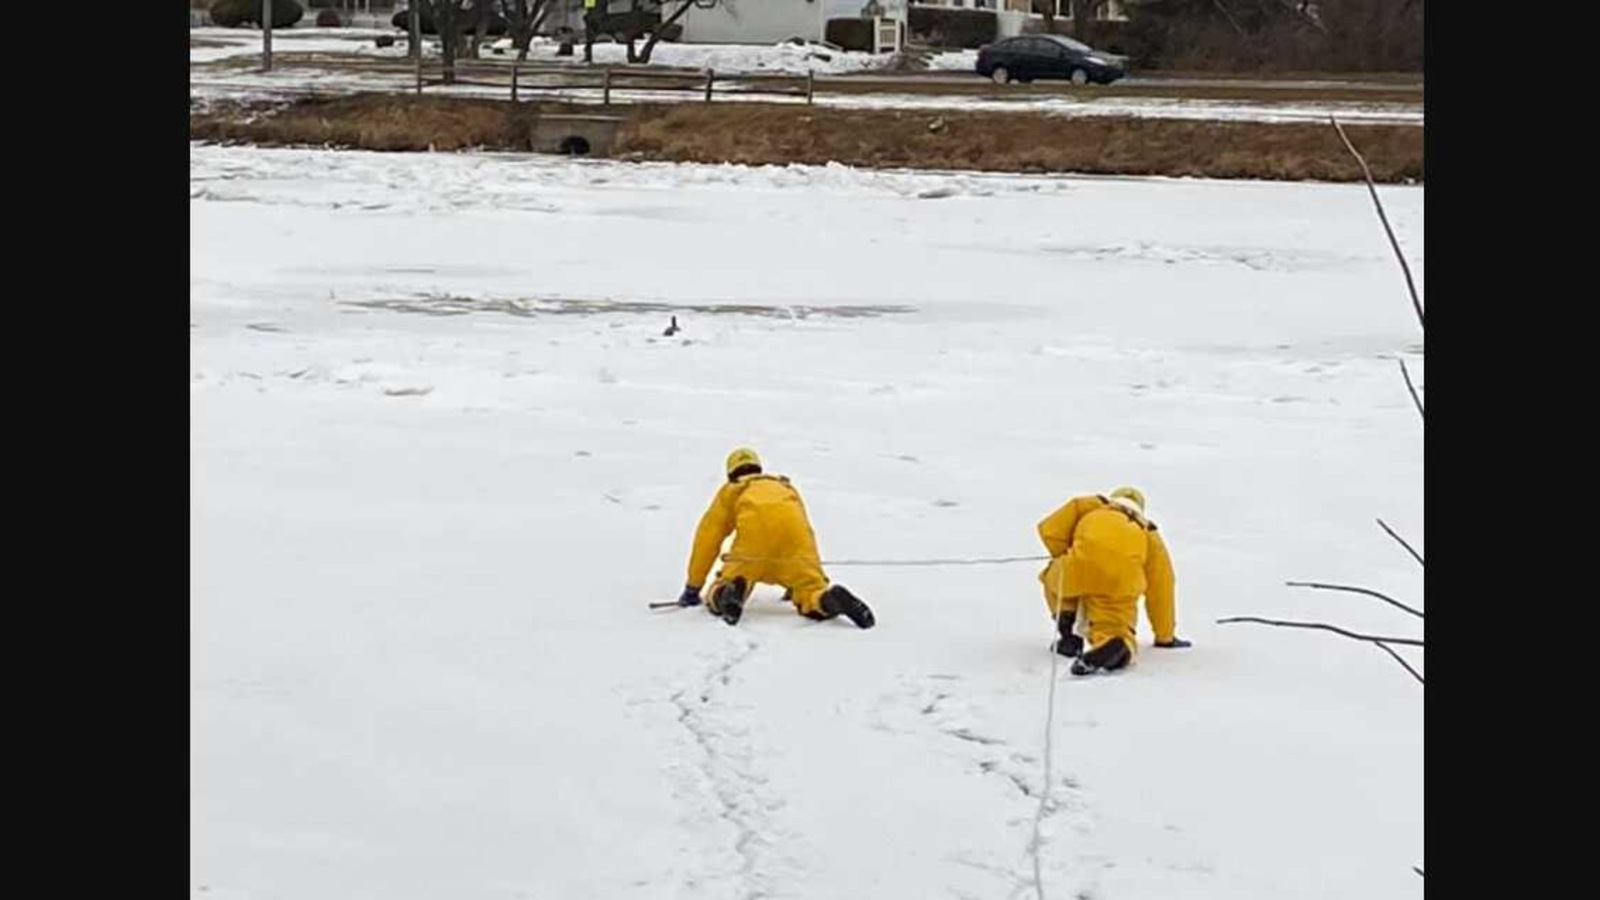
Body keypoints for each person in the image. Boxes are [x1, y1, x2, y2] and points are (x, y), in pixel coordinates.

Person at [676, 448, 876, 629]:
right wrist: (798, 577)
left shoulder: (733, 490)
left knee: (725, 585)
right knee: (810, 593)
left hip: (751, 555)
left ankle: (726, 594)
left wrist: (693, 587)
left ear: (731, 474)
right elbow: (800, 528)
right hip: (795, 552)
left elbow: (709, 537)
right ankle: (828, 599)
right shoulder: (784, 487)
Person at [1036, 487, 1190, 675]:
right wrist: (1165, 636)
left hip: (1077, 567)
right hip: (1120, 580)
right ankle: (1118, 645)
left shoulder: (1091, 507)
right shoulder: (1147, 531)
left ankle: (1068, 635)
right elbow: (1162, 585)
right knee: (1113, 625)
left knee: (1054, 578)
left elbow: (1050, 530)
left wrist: (1066, 555)